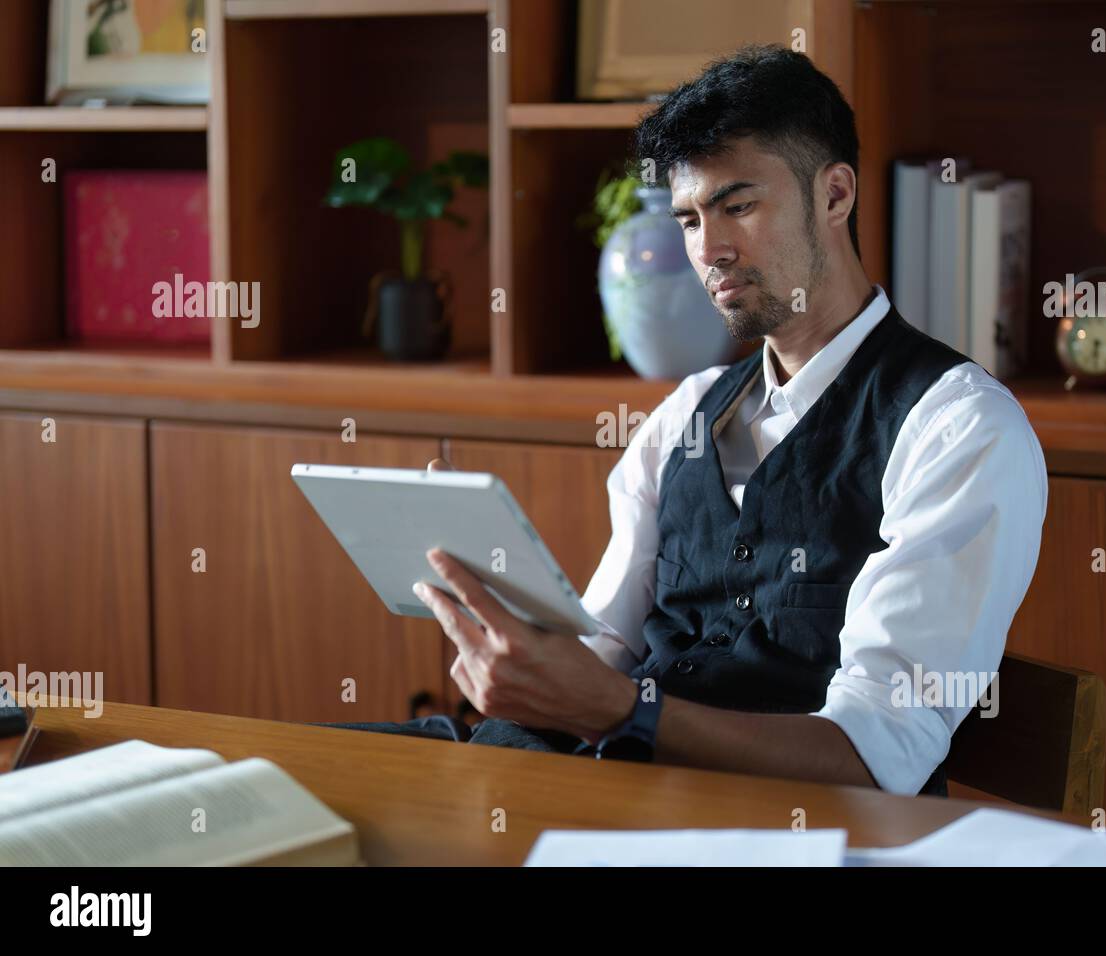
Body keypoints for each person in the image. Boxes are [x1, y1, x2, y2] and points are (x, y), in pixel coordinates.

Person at [327, 44, 1047, 797]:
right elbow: (606, 642)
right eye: (688, 218)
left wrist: (617, 710)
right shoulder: (686, 412)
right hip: (578, 784)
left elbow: (875, 758)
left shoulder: (959, 428)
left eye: (738, 205)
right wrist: (519, 638)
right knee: (248, 782)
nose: (711, 250)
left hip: (764, 833)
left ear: (835, 195)